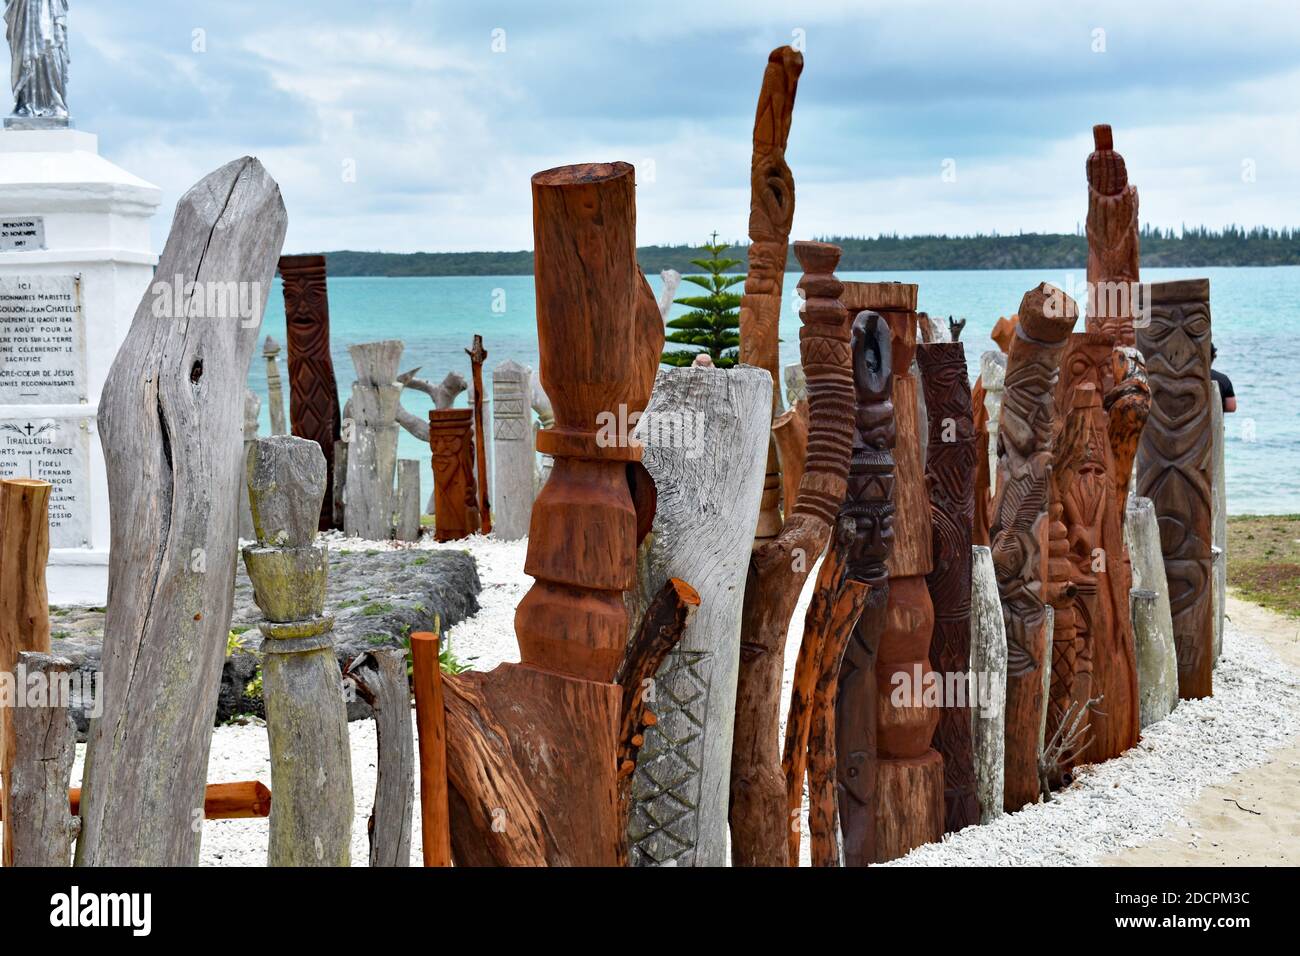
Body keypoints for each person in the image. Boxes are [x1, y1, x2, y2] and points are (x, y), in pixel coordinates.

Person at [1210, 343, 1236, 413]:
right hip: (1214, 422)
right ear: (1213, 357)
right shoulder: (1223, 379)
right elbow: (1231, 407)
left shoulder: (1184, 378)